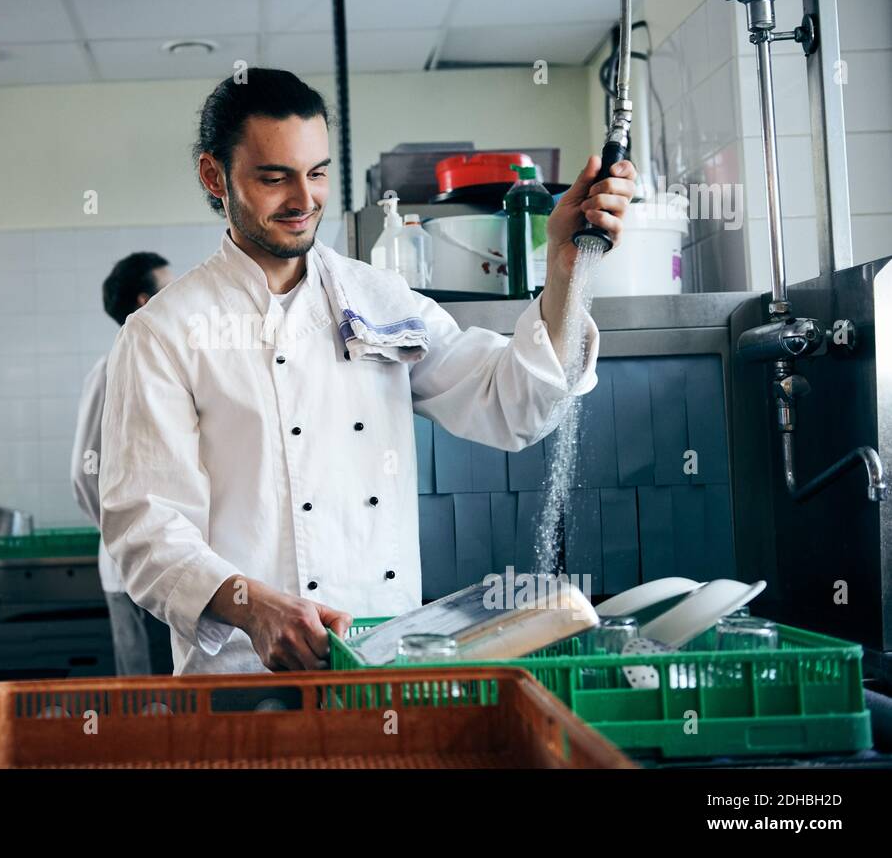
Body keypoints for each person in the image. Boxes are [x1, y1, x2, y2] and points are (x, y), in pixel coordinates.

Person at [99, 68, 637, 675]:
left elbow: (513, 405)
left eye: (318, 173)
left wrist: (565, 271)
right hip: (242, 678)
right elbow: (146, 527)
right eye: (274, 178)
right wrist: (250, 606)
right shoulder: (164, 332)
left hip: (384, 661)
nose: (304, 200)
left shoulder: (379, 299)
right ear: (213, 176)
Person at [71, 251, 175, 676]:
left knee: (181, 702)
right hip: (134, 569)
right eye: (170, 290)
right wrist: (128, 534)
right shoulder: (112, 366)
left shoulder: (167, 365)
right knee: (151, 703)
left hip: (173, 566)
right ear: (144, 302)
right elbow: (84, 471)